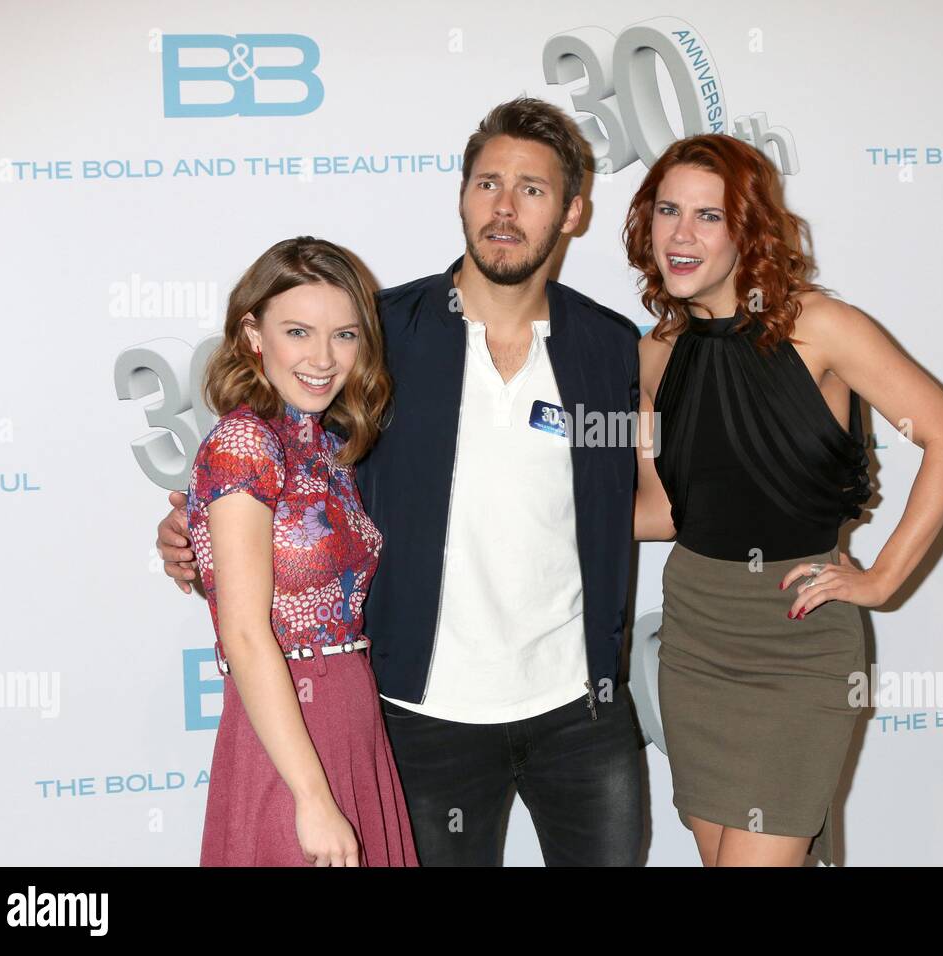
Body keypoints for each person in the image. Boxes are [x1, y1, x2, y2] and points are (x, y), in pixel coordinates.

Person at [158, 98, 645, 866]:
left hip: (580, 709)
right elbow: (270, 483)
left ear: (573, 211)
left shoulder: (609, 347)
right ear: (461, 195)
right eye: (488, 183)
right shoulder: (378, 334)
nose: (506, 207)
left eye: (533, 188)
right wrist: (192, 532)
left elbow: (633, 500)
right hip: (420, 713)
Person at [627, 134, 943, 867]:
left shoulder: (819, 329)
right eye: (668, 210)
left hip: (796, 643)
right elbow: (665, 511)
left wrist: (881, 581)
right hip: (695, 639)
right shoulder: (657, 354)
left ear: (748, 228)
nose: (682, 234)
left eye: (709, 216)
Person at [185, 236, 417, 867]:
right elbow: (244, 631)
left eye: (344, 335)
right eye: (298, 331)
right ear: (253, 335)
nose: (323, 357)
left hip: (348, 718)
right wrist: (312, 797)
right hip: (290, 735)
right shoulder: (245, 442)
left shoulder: (320, 444)